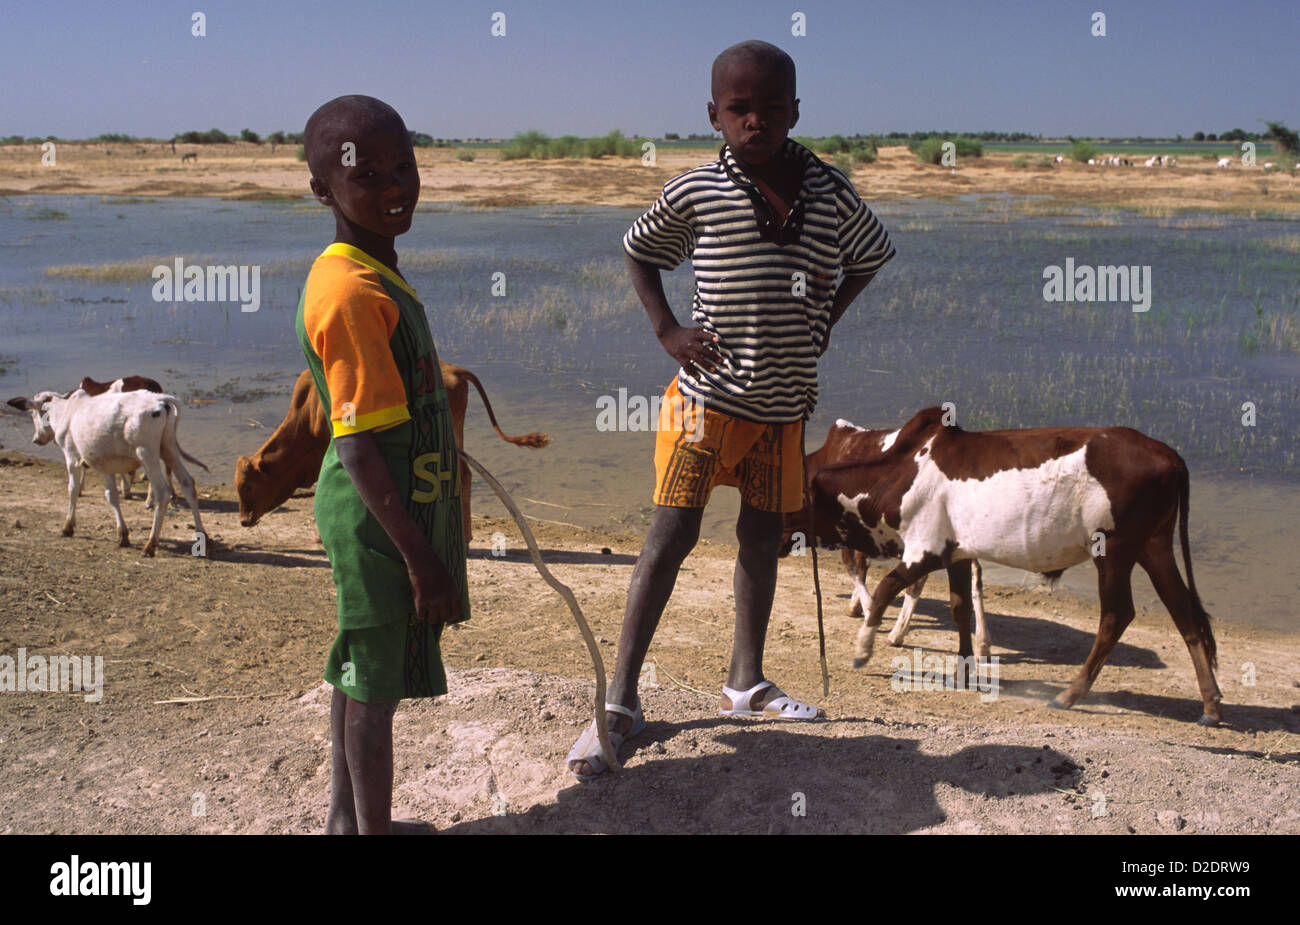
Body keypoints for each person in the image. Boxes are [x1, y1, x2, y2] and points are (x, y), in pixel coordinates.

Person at [568, 40, 895, 780]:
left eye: (772, 109)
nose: (756, 122)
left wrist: (826, 320)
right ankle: (620, 698)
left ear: (795, 112)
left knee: (761, 538)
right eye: (739, 109)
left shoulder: (829, 190)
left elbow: (871, 255)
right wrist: (668, 331)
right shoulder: (697, 191)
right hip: (706, 403)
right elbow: (638, 249)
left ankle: (744, 681)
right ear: (713, 115)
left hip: (782, 409)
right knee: (670, 535)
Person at [298, 95, 469, 831]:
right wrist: (420, 559)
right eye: (365, 174)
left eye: (404, 165)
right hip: (379, 522)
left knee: (357, 670)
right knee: (373, 688)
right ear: (323, 190)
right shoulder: (349, 291)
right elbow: (358, 445)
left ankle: (345, 819)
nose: (394, 185)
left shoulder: (371, 272)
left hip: (384, 515)